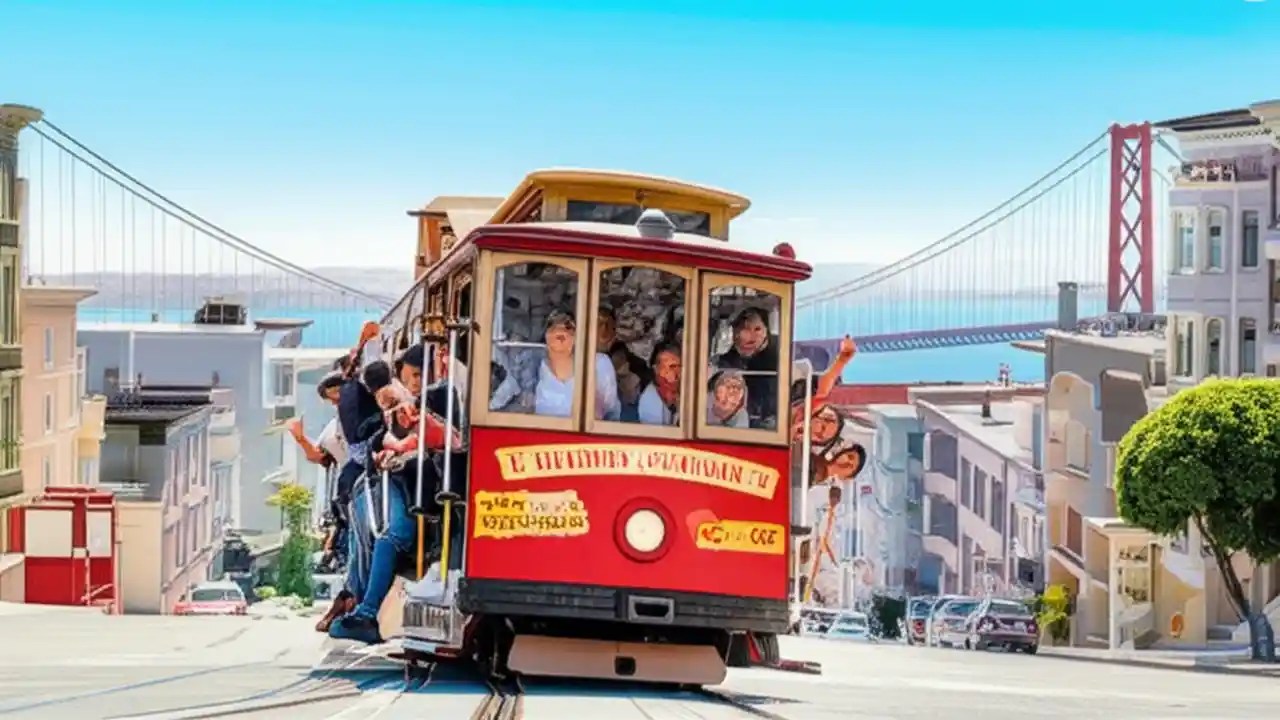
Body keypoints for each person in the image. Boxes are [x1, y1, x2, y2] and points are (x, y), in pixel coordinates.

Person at [534, 310, 619, 420]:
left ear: (576, 336)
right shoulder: (533, 366)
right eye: (553, 326)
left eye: (568, 327)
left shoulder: (599, 364)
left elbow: (611, 412)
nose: (561, 331)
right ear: (545, 335)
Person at [714, 307, 780, 429]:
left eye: (757, 329)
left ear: (766, 331)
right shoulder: (725, 361)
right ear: (734, 333)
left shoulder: (782, 352)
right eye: (743, 329)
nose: (750, 336)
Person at [637, 341, 681, 426]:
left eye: (679, 367)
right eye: (671, 367)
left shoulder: (677, 391)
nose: (677, 373)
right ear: (656, 369)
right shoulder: (650, 402)